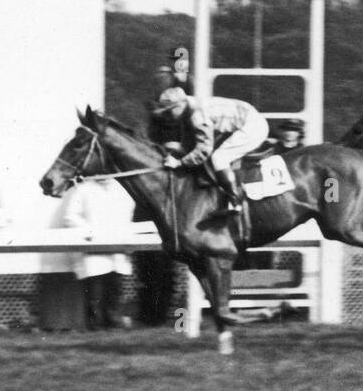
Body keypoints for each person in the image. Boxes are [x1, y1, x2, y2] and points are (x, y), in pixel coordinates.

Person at [149, 88, 269, 216]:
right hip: (245, 120)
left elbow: (203, 151)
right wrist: (177, 149)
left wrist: (179, 163)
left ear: (181, 104)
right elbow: (190, 144)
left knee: (219, 158)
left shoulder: (197, 116)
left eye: (169, 111)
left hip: (253, 126)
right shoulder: (189, 107)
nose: (169, 116)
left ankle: (235, 202)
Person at [61, 179, 134, 329]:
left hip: (116, 248)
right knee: (95, 289)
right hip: (93, 249)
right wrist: (91, 231)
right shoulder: (82, 189)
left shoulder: (122, 189)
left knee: (115, 287)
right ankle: (95, 324)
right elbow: (70, 216)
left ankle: (113, 322)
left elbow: (129, 211)